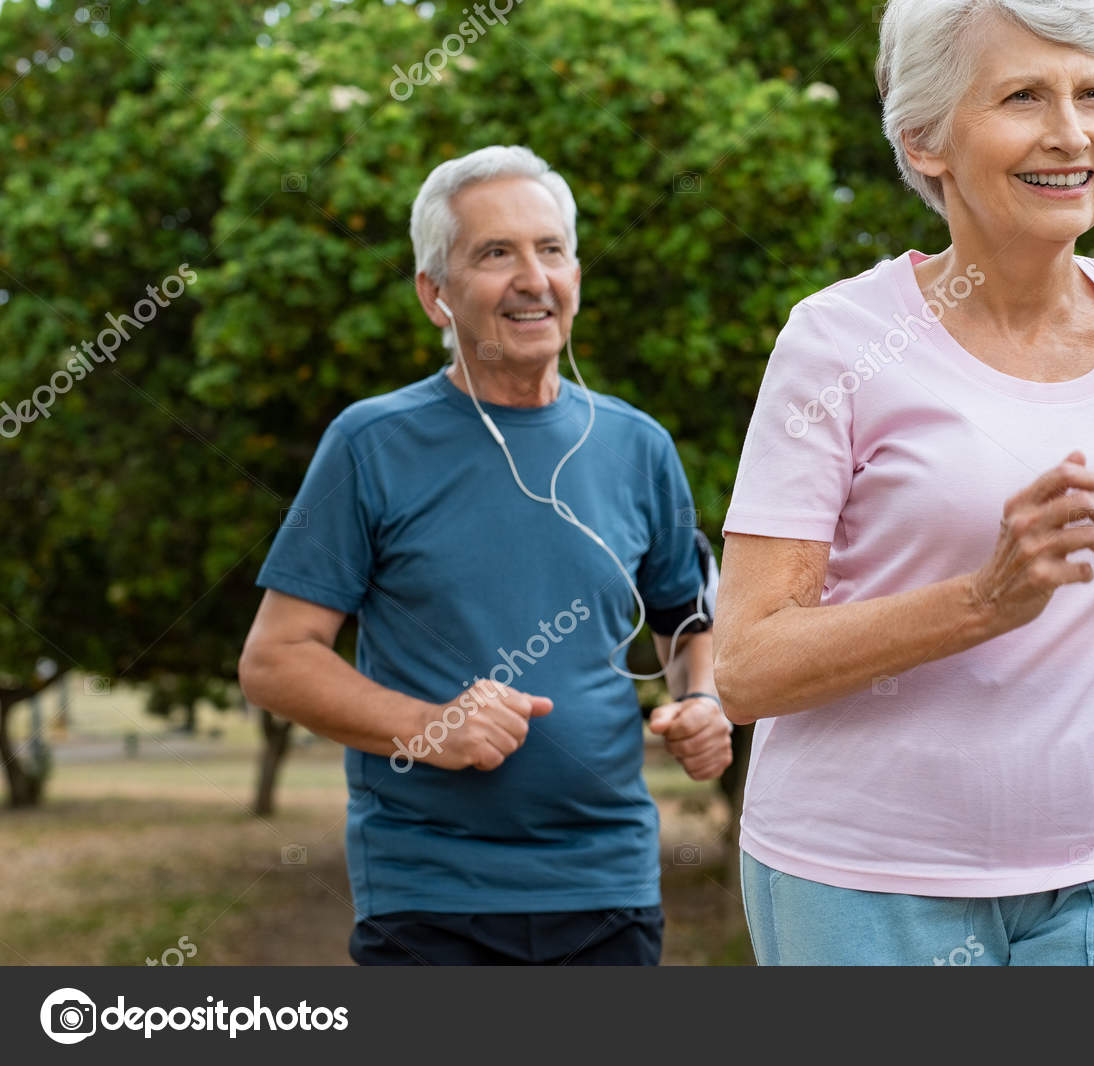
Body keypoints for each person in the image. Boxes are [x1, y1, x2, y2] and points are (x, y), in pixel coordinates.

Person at [714, 0, 1094, 966]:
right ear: (925, 139)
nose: (1071, 135)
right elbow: (747, 666)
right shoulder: (836, 344)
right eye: (1022, 96)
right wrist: (984, 599)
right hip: (868, 876)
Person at [239, 145, 732, 966]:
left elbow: (685, 614)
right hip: (432, 900)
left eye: (551, 249)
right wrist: (429, 728)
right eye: (495, 254)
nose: (533, 278)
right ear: (436, 294)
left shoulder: (638, 444)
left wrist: (703, 702)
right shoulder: (371, 443)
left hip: (610, 889)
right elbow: (275, 661)